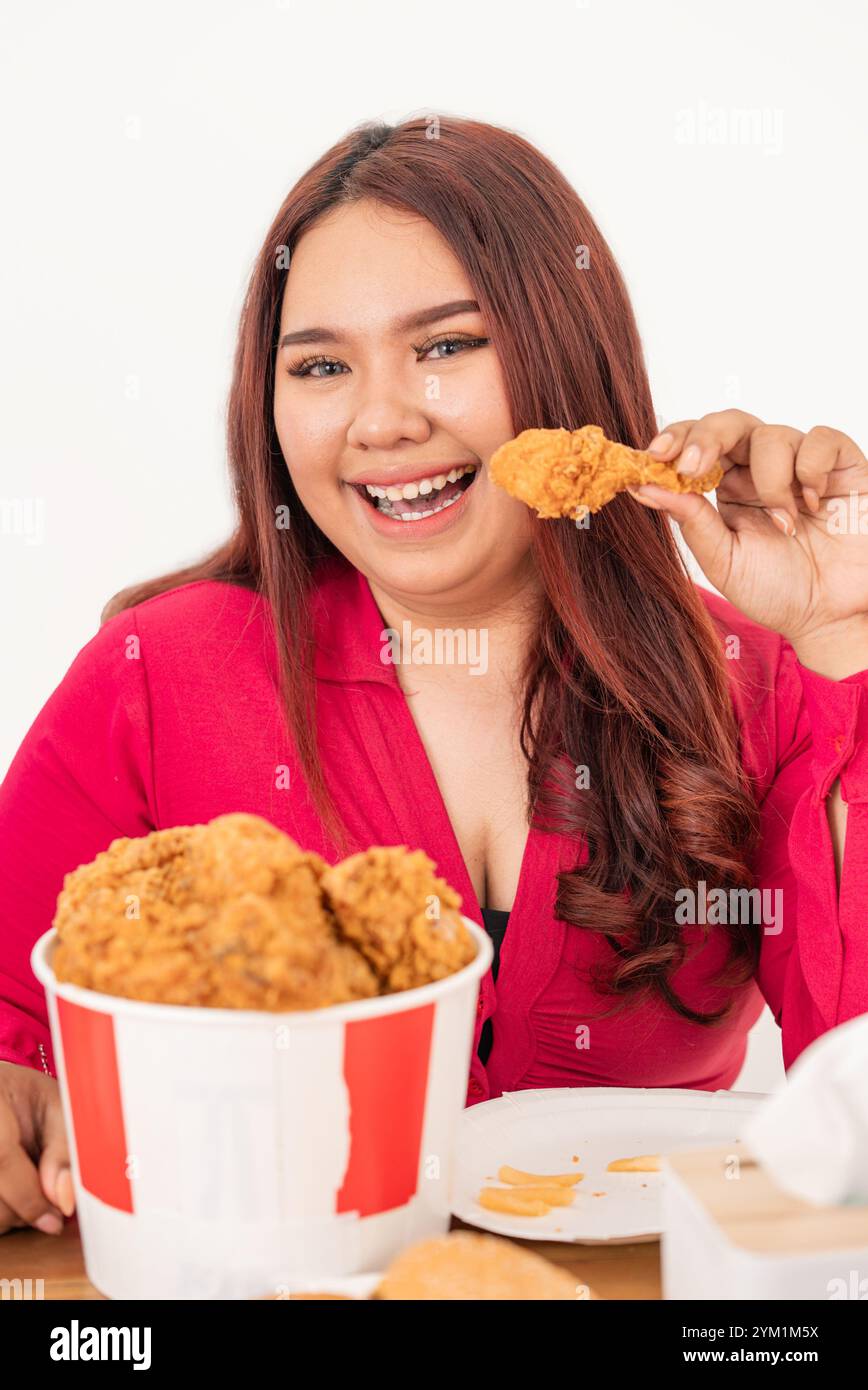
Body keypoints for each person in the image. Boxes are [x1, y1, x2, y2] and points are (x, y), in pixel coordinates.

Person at [2, 116, 867, 1240]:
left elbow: (849, 1100)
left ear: (564, 355)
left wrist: (843, 633)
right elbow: (16, 1028)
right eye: (320, 365)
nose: (382, 418)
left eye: (446, 346)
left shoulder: (759, 678)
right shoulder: (155, 675)